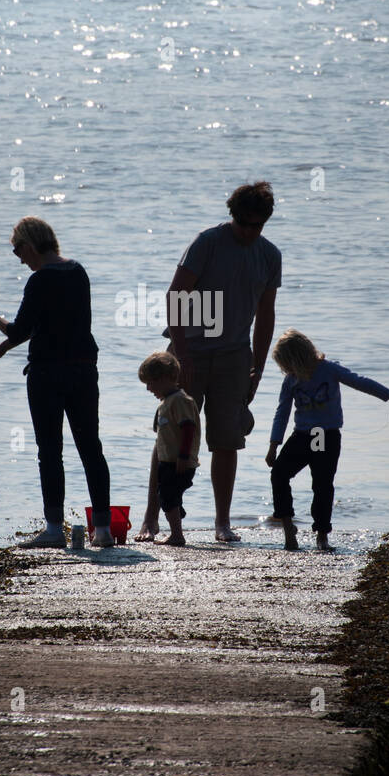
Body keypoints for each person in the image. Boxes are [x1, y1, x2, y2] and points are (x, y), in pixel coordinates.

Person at [135, 181, 281, 545]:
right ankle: (151, 518)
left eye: (258, 225)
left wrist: (258, 366)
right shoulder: (207, 242)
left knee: (227, 439)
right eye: (245, 224)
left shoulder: (269, 255)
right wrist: (181, 353)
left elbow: (266, 315)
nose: (251, 232)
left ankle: (222, 522)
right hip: (189, 350)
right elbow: (175, 296)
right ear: (233, 217)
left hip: (234, 356)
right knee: (170, 436)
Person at [0, 216, 113, 549]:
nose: (19, 258)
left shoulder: (39, 281)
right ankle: (102, 530)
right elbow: (48, 325)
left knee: (50, 451)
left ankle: (52, 529)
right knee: (91, 448)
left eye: (18, 250)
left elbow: (21, 329)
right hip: (84, 369)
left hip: (48, 374)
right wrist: (3, 350)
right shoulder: (78, 272)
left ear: (30, 245)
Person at [266, 329, 389, 552]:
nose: (285, 370)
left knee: (322, 484)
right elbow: (282, 413)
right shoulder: (291, 380)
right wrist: (273, 446)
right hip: (303, 436)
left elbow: (360, 382)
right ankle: (288, 528)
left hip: (325, 435)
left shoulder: (328, 369)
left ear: (295, 358)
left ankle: (322, 535)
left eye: (285, 364)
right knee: (279, 474)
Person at [138, 351, 201, 547]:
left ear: (165, 379)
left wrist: (183, 455)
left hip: (178, 462)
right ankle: (177, 522)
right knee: (168, 496)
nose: (149, 389)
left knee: (168, 497)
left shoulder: (180, 401)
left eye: (151, 383)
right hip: (167, 461)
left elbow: (188, 428)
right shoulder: (165, 403)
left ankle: (177, 535)